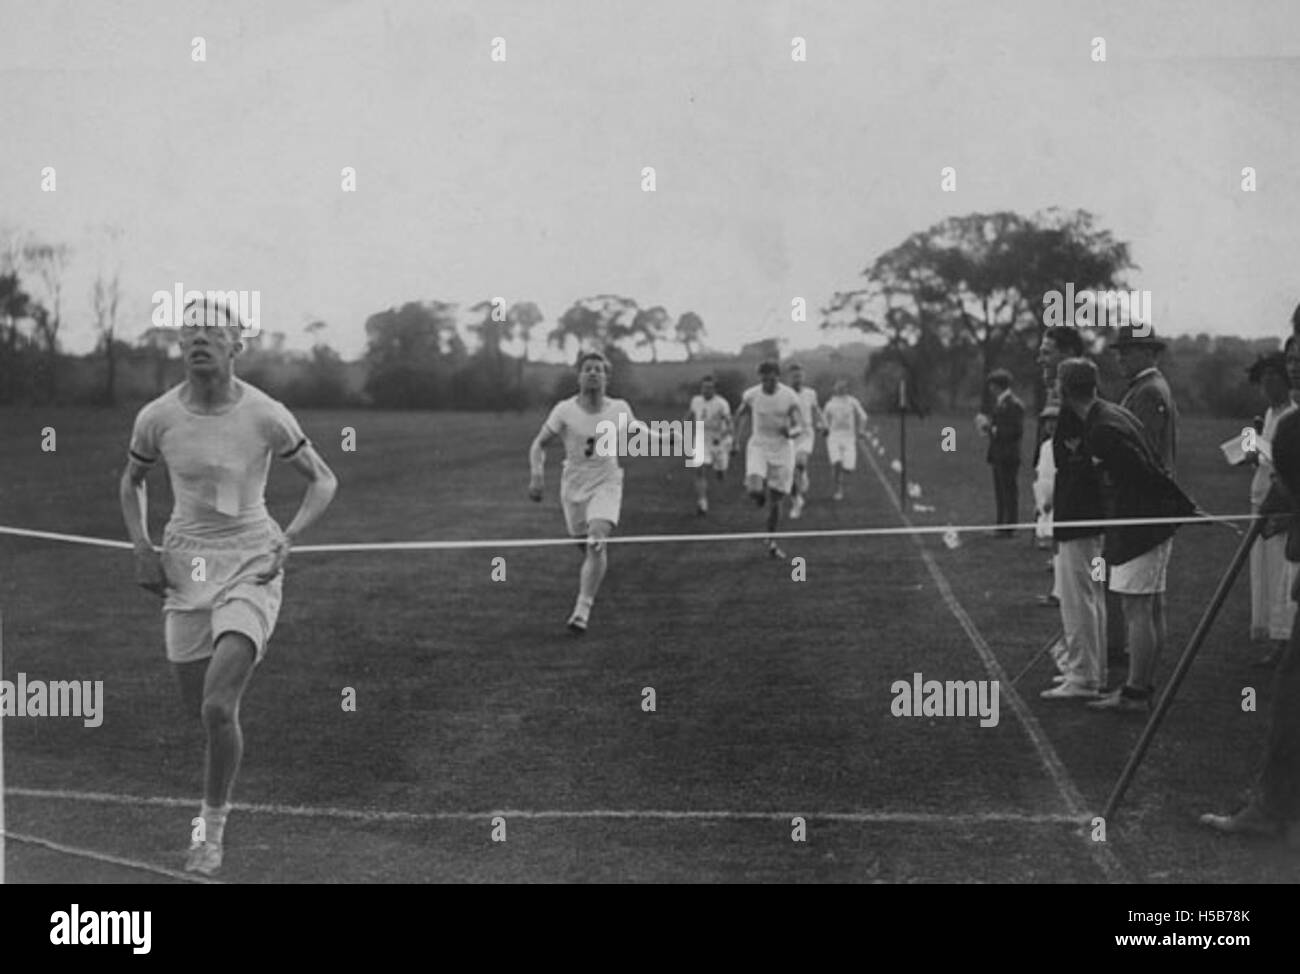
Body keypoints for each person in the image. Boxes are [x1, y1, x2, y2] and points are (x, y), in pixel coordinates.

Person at [120, 298, 339, 875]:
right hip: (186, 569)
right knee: (205, 713)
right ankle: (225, 759)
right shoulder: (158, 416)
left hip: (252, 563)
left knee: (218, 707)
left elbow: (322, 479)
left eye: (214, 330)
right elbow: (132, 479)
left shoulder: (266, 414)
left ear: (237, 346)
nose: (199, 337)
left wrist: (287, 538)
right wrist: (142, 546)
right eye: (190, 328)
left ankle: (210, 834)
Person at [1050, 358, 1198, 714]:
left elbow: (1144, 474)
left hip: (1141, 526)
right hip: (1150, 522)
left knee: (1138, 608)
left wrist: (1182, 504)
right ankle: (1141, 686)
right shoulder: (1108, 412)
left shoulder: (1101, 429)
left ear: (1063, 389)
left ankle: (1135, 692)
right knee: (1150, 607)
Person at [1200, 334, 1300, 847]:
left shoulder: (1293, 422)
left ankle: (1274, 808)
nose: (1292, 364)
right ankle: (1277, 805)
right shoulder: (1279, 420)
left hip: (1285, 522)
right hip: (1274, 515)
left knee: (1292, 688)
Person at [529, 350, 644, 634]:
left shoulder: (619, 407)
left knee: (597, 539)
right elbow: (538, 444)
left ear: (606, 376)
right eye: (587, 369)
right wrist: (537, 476)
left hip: (607, 482)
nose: (593, 373)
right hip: (574, 486)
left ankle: (582, 610)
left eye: (598, 369)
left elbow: (637, 432)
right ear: (579, 375)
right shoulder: (564, 410)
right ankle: (595, 572)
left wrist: (669, 438)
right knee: (586, 546)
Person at [1036, 328, 1108, 699]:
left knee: (1079, 595)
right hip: (1084, 519)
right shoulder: (1078, 407)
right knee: (1088, 593)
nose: (1040, 358)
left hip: (1080, 519)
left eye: (1047, 352)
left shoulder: (1075, 410)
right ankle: (1091, 670)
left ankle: (1083, 675)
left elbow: (1079, 467)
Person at [1245, 351, 1296, 666]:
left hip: (1281, 503)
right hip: (1260, 498)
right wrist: (1251, 454)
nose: (1267, 387)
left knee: (1282, 576)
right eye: (1263, 382)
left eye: (1273, 380)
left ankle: (1285, 642)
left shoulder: (1292, 415)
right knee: (1263, 574)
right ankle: (1275, 637)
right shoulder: (1270, 413)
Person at [732, 360, 804, 558]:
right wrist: (735, 441)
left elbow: (799, 426)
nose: (768, 383)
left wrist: (790, 432)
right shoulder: (752, 395)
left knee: (777, 501)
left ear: (778, 378)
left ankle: (771, 540)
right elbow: (740, 416)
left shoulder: (789, 397)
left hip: (782, 450)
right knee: (754, 489)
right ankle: (759, 493)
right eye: (764, 379)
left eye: (771, 379)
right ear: (760, 378)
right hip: (759, 446)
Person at [980, 369, 1024, 538]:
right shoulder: (1001, 402)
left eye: (991, 385)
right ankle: (1001, 525)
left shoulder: (1013, 404)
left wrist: (991, 428)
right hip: (999, 453)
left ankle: (1008, 527)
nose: (990, 388)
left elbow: (1015, 431)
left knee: (1008, 491)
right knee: (1001, 491)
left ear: (997, 385)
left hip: (1008, 455)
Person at [685, 374, 733, 515]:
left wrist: (724, 436)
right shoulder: (696, 401)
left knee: (720, 471)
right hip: (701, 438)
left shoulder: (722, 404)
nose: (706, 390)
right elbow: (690, 415)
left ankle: (721, 469)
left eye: (709, 388)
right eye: (704, 387)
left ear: (715, 389)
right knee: (699, 469)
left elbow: (729, 424)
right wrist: (680, 429)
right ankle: (702, 501)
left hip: (718, 440)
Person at [785, 363, 823, 519]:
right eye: (794, 376)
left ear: (804, 377)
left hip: (806, 433)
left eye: (800, 376)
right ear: (789, 378)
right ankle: (796, 499)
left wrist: (823, 423)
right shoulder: (785, 394)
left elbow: (817, 409)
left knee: (800, 462)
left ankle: (796, 502)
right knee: (791, 470)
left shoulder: (810, 393)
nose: (797, 379)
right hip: (789, 435)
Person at [1032, 405, 1062, 606]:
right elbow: (1042, 476)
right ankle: (1058, 591)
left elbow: (1060, 475)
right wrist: (1040, 502)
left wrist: (1051, 499)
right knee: (1057, 548)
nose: (1050, 426)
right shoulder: (1046, 446)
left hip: (1064, 502)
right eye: (1047, 422)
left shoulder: (1064, 446)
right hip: (1049, 501)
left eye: (1055, 421)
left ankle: (1098, 582)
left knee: (1094, 552)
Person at [821, 379, 869, 501]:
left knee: (848, 469)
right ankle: (838, 490)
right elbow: (824, 419)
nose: (841, 390)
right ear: (835, 389)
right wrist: (824, 428)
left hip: (849, 439)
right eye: (839, 388)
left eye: (844, 388)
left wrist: (862, 430)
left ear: (847, 389)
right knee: (837, 463)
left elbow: (863, 416)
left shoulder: (853, 402)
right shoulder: (830, 404)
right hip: (834, 438)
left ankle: (842, 471)